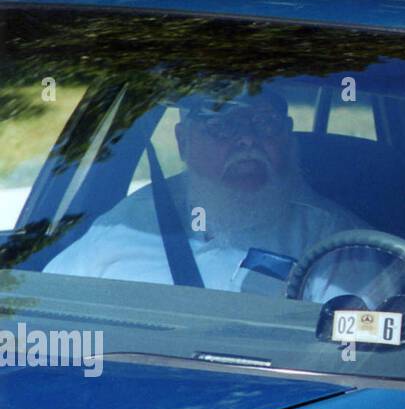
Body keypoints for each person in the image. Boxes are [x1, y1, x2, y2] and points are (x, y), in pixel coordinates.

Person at [45, 85, 374, 303]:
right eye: (223, 125)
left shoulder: (334, 243)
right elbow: (46, 314)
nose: (247, 140)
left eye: (264, 124)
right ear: (183, 141)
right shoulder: (125, 226)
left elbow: (354, 357)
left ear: (287, 138)